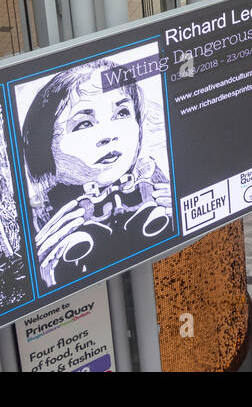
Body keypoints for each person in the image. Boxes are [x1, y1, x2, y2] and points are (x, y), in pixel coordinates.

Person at [21, 58, 173, 289]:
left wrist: (180, 217)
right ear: (45, 145)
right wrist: (40, 277)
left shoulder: (151, 178)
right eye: (83, 124)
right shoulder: (39, 210)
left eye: (122, 112)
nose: (109, 135)